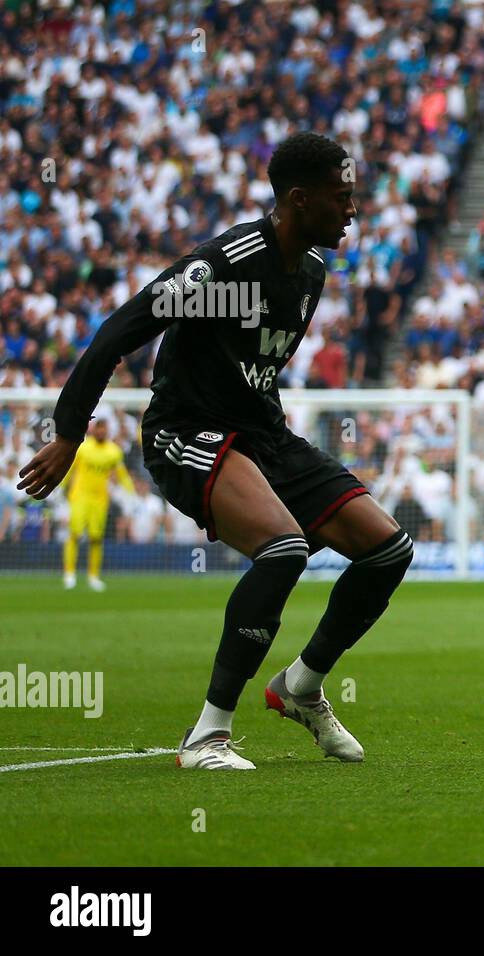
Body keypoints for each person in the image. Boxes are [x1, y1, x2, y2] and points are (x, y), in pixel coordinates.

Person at [17, 132, 414, 770]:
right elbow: (121, 329)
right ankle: (208, 735)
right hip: (186, 429)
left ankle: (302, 687)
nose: (352, 211)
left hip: (262, 434)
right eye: (342, 199)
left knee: (390, 550)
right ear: (298, 199)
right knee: (282, 551)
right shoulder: (227, 263)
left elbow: (255, 368)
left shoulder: (310, 270)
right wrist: (68, 432)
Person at [59, 416, 136, 590]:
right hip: (80, 496)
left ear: (107, 431)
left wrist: (131, 492)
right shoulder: (83, 449)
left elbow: (121, 473)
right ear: (93, 430)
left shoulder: (113, 451)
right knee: (75, 534)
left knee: (96, 538)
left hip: (100, 499)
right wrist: (59, 486)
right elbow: (70, 468)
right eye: (98, 428)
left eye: (104, 428)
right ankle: (69, 573)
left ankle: (93, 576)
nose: (101, 431)